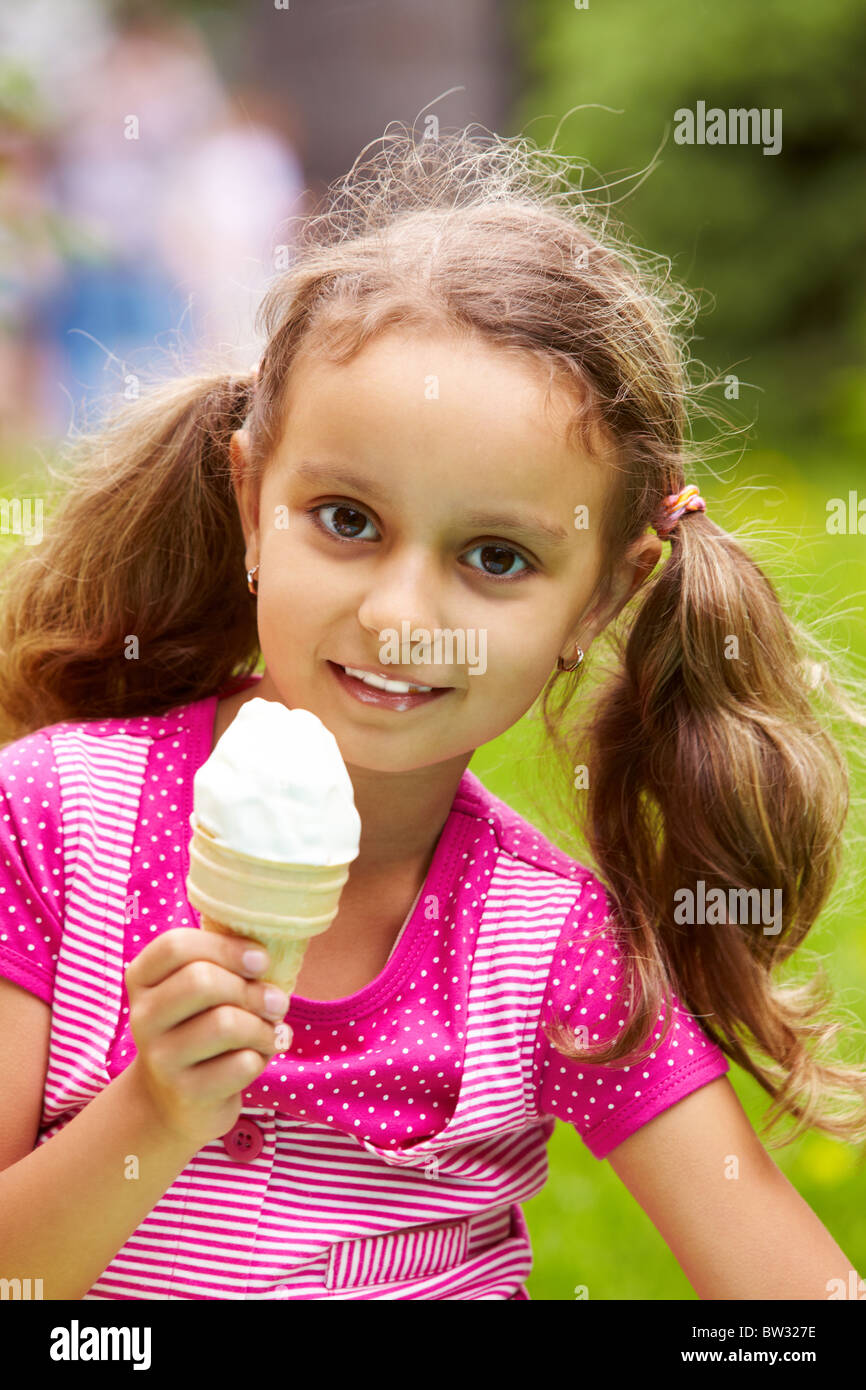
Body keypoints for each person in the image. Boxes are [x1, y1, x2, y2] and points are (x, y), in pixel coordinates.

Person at [0, 125, 862, 1301]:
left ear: (602, 595)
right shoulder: (54, 823)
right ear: (253, 503)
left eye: (494, 555)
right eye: (347, 519)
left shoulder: (545, 946)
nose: (402, 614)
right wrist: (152, 1107)